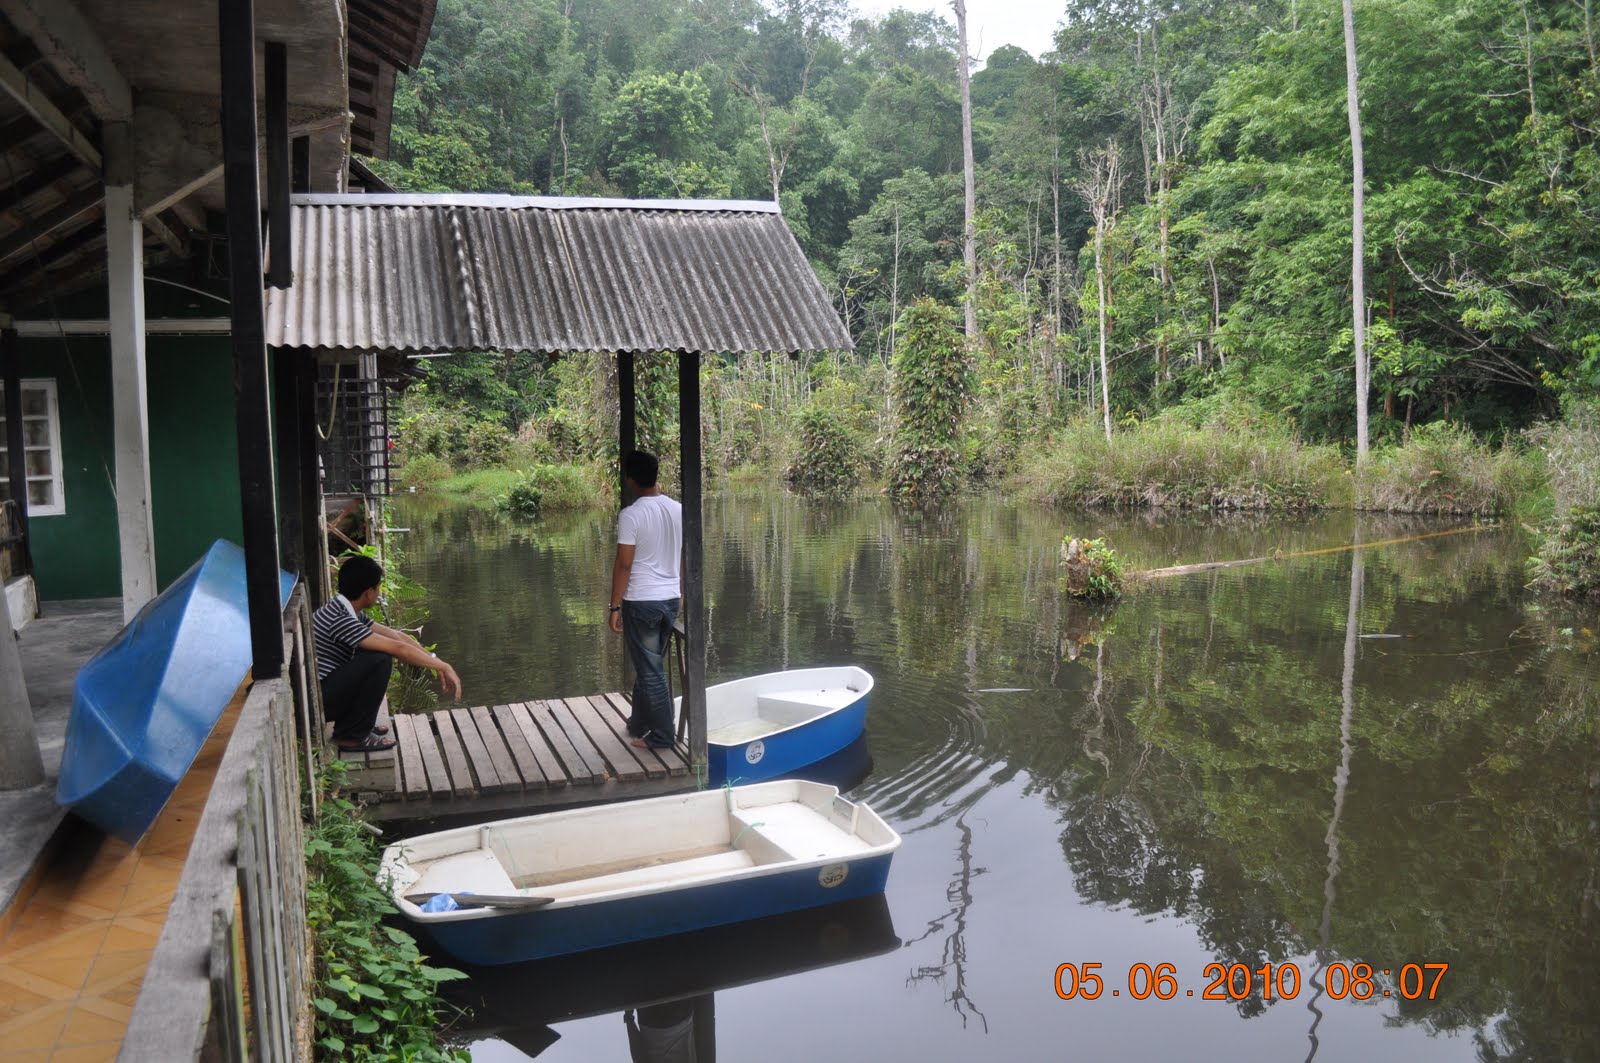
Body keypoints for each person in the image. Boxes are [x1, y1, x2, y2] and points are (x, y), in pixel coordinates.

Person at [314, 554, 462, 752]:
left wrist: (436, 660)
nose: (378, 592)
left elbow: (397, 637)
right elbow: (398, 649)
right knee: (379, 659)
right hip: (319, 704)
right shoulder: (341, 619)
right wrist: (444, 667)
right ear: (368, 592)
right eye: (378, 588)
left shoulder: (344, 610)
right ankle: (352, 736)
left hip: (323, 693)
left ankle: (355, 724)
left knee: (376, 655)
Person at [609, 450, 683, 750]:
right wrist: (679, 590)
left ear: (630, 479)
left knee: (651, 672)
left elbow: (624, 564)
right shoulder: (678, 508)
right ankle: (638, 723)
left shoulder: (632, 515)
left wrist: (614, 605)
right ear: (656, 475)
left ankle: (664, 736)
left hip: (642, 601)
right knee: (649, 664)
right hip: (670, 598)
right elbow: (684, 553)